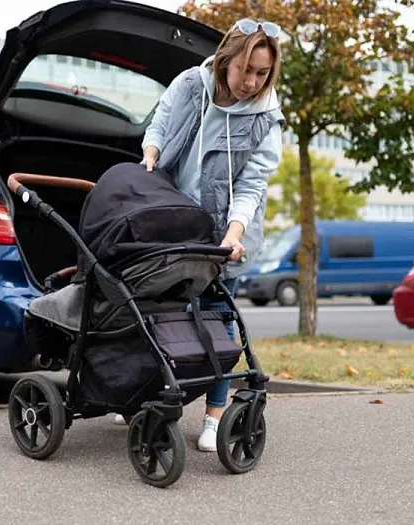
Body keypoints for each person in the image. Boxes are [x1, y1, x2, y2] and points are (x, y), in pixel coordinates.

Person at [113, 18, 285, 453]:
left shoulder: (266, 118)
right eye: (244, 69)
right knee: (156, 315)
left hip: (223, 230)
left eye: (261, 73)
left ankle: (213, 419)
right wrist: (151, 153)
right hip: (169, 217)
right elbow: (159, 124)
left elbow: (251, 185)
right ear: (226, 59)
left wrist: (234, 233)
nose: (251, 81)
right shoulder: (191, 84)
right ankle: (141, 396)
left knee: (218, 320)